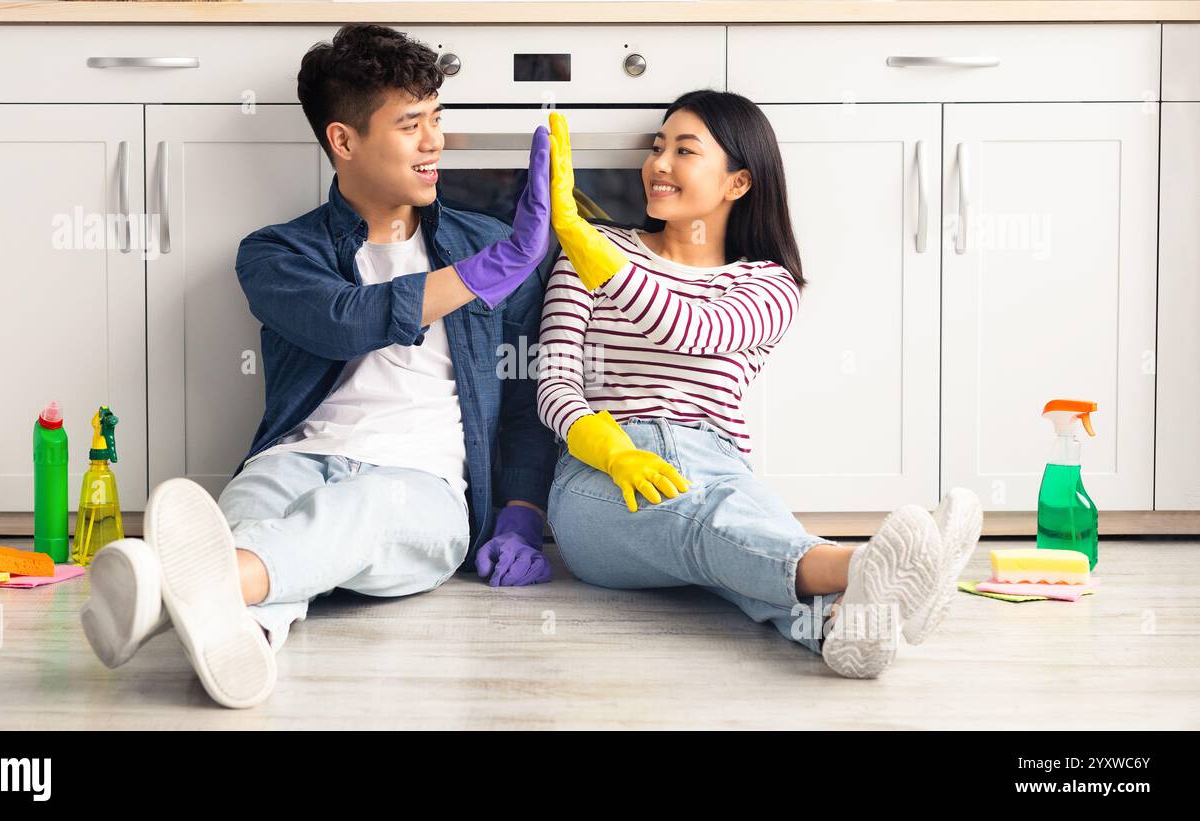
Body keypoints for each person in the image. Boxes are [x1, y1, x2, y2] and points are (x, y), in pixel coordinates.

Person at [79, 24, 558, 708]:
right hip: (296, 460)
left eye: (436, 118)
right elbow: (343, 320)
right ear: (344, 140)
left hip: (418, 484)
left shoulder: (488, 244)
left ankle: (167, 590)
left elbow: (524, 398)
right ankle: (245, 633)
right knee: (253, 520)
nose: (435, 142)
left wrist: (521, 511)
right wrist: (488, 272)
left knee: (356, 511)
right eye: (411, 124)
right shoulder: (276, 253)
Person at [537, 94, 983, 679]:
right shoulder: (593, 250)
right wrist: (608, 447)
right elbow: (554, 380)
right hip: (599, 477)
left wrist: (591, 250)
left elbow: (693, 331)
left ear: (739, 182)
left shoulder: (768, 285)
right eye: (657, 147)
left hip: (718, 464)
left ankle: (842, 628)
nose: (658, 164)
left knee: (734, 545)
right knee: (719, 527)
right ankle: (867, 563)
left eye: (684, 151)